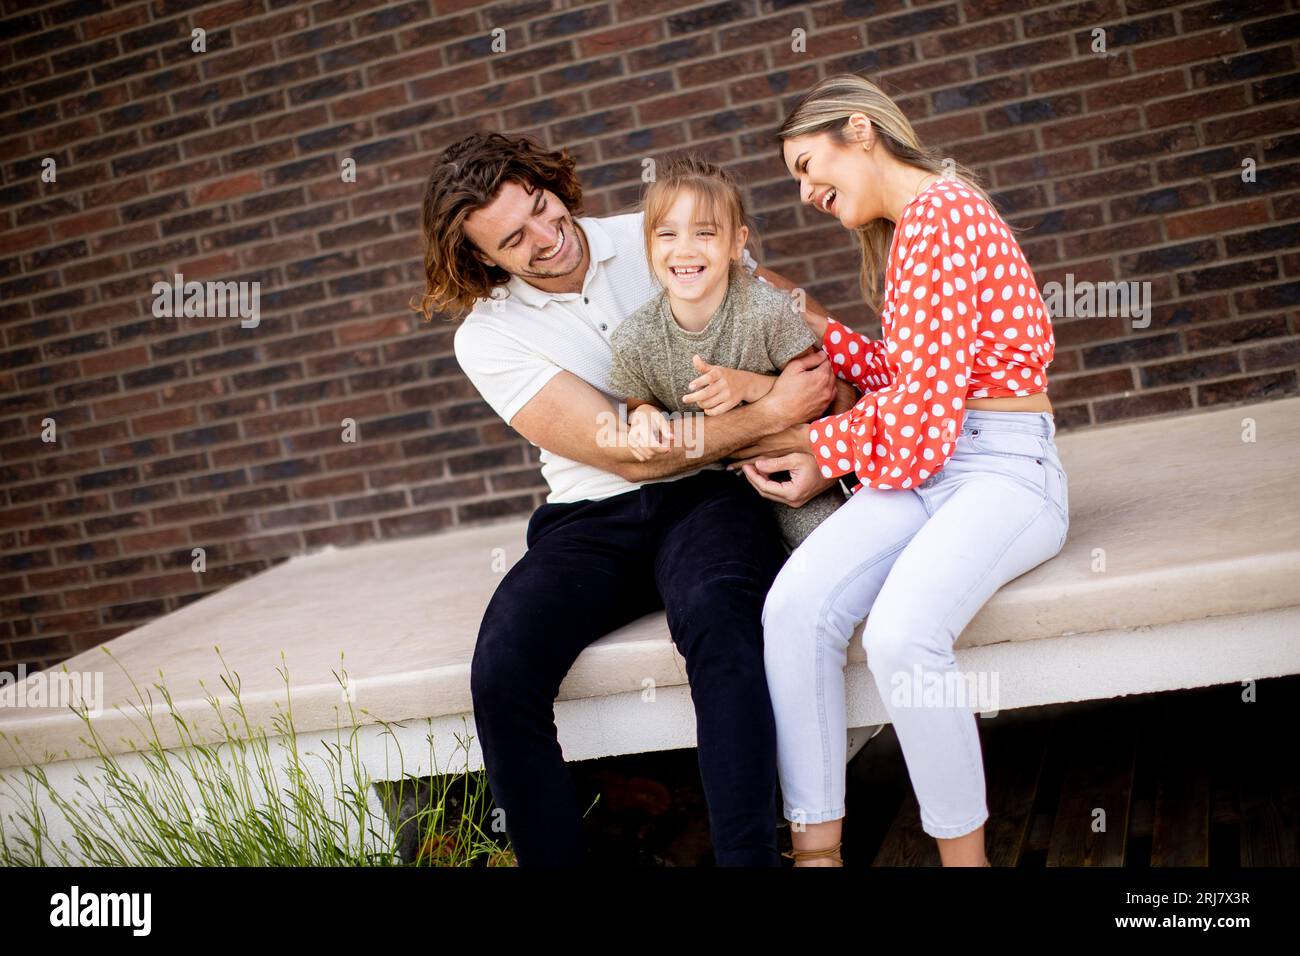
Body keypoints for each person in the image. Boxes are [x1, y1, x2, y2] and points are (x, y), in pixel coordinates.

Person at [413, 131, 854, 866]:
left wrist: (831, 387)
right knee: (501, 673)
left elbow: (795, 334)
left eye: (545, 208)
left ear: (552, 184)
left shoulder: (658, 234)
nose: (549, 237)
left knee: (720, 617)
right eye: (515, 239)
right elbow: (630, 452)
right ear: (482, 257)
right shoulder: (486, 337)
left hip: (711, 495)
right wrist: (771, 415)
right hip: (592, 518)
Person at [728, 74, 1070, 867]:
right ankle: (817, 855)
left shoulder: (940, 215)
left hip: (1001, 470)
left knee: (903, 635)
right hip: (934, 468)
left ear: (861, 130)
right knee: (794, 609)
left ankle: (964, 864)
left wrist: (818, 448)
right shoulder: (917, 225)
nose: (807, 191)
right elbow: (908, 380)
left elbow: (918, 428)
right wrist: (813, 320)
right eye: (796, 181)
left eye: (811, 167)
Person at [607, 153, 848, 551]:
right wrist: (645, 415)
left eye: (704, 233)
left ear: (737, 243)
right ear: (648, 245)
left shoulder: (767, 311)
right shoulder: (635, 338)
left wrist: (749, 386)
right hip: (706, 489)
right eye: (667, 234)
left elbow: (822, 390)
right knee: (725, 573)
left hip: (785, 467)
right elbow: (638, 400)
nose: (684, 250)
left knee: (832, 550)